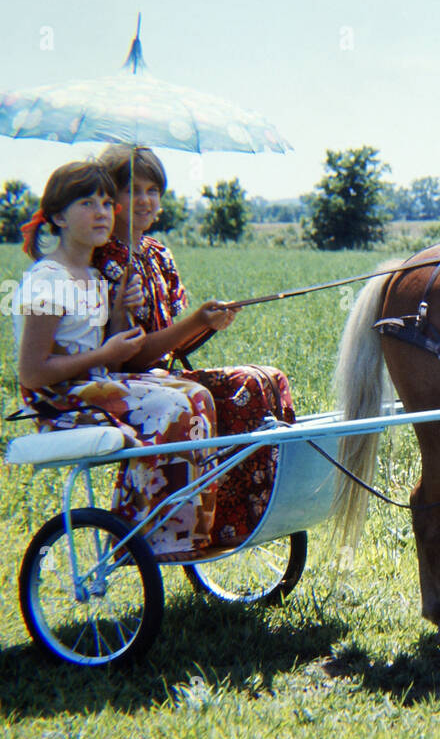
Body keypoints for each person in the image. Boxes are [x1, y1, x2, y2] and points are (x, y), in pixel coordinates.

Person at [13, 160, 219, 558]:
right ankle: (137, 529)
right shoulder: (50, 278)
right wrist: (105, 353)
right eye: (87, 203)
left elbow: (111, 356)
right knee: (172, 404)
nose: (102, 213)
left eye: (107, 203)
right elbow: (33, 372)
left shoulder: (93, 276)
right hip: (58, 400)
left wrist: (122, 312)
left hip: (93, 387)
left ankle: (180, 526)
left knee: (197, 395)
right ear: (58, 217)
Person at [93, 145, 296, 548]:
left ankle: (239, 519)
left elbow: (171, 344)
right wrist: (196, 320)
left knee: (261, 383)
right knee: (199, 396)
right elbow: (136, 355)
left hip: (164, 374)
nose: (145, 200)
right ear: (109, 198)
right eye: (133, 190)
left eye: (153, 191)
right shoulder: (104, 259)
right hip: (126, 381)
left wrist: (208, 325)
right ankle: (174, 529)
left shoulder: (158, 255)